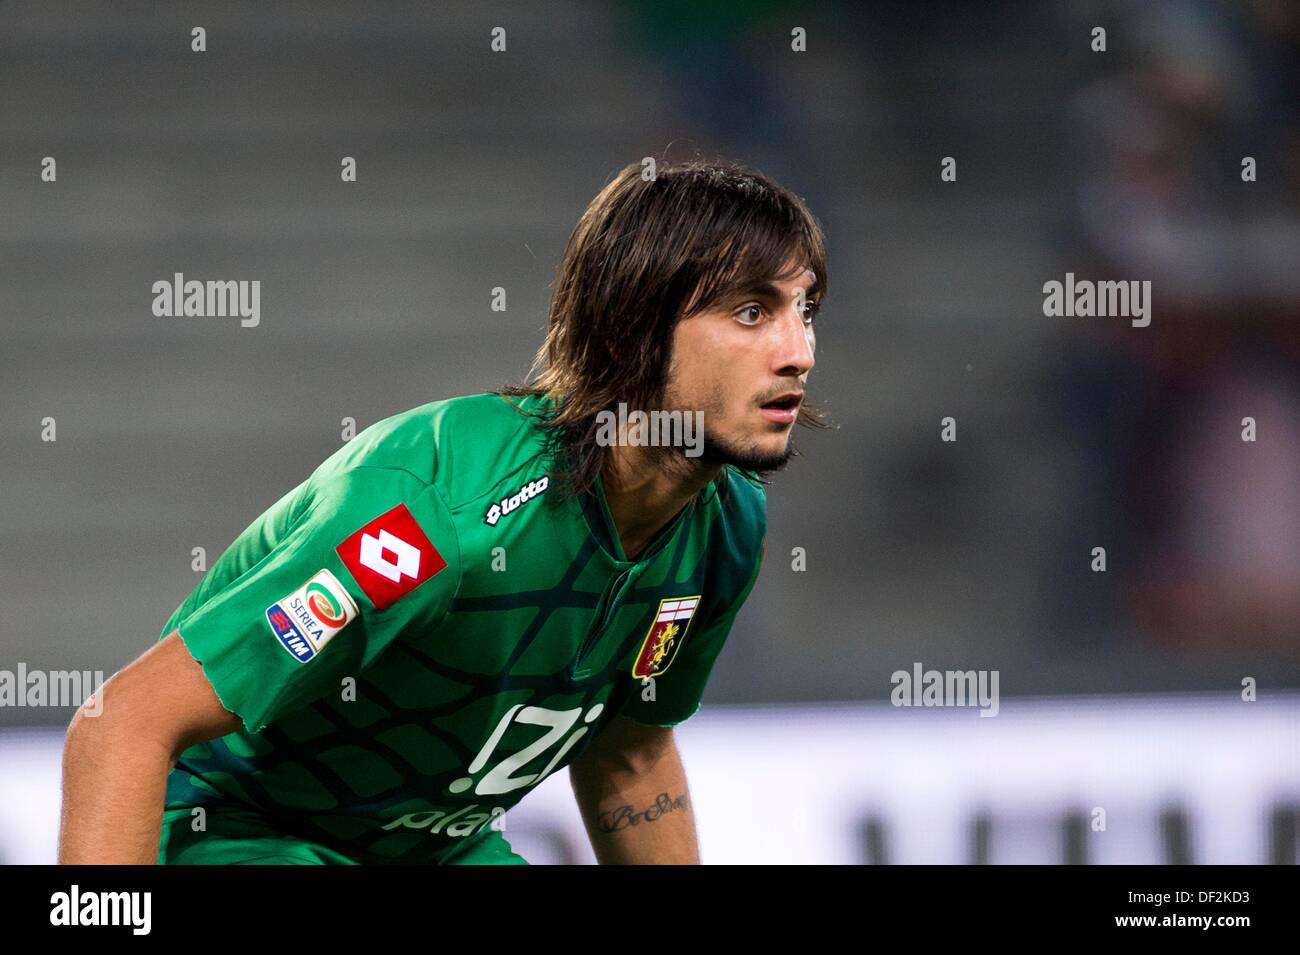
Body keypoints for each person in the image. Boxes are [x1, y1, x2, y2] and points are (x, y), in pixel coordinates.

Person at [58, 157, 829, 864]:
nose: (800, 349)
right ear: (633, 325)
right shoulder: (437, 518)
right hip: (233, 830)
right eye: (753, 312)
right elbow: (122, 723)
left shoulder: (728, 526)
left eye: (806, 308)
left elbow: (628, 752)